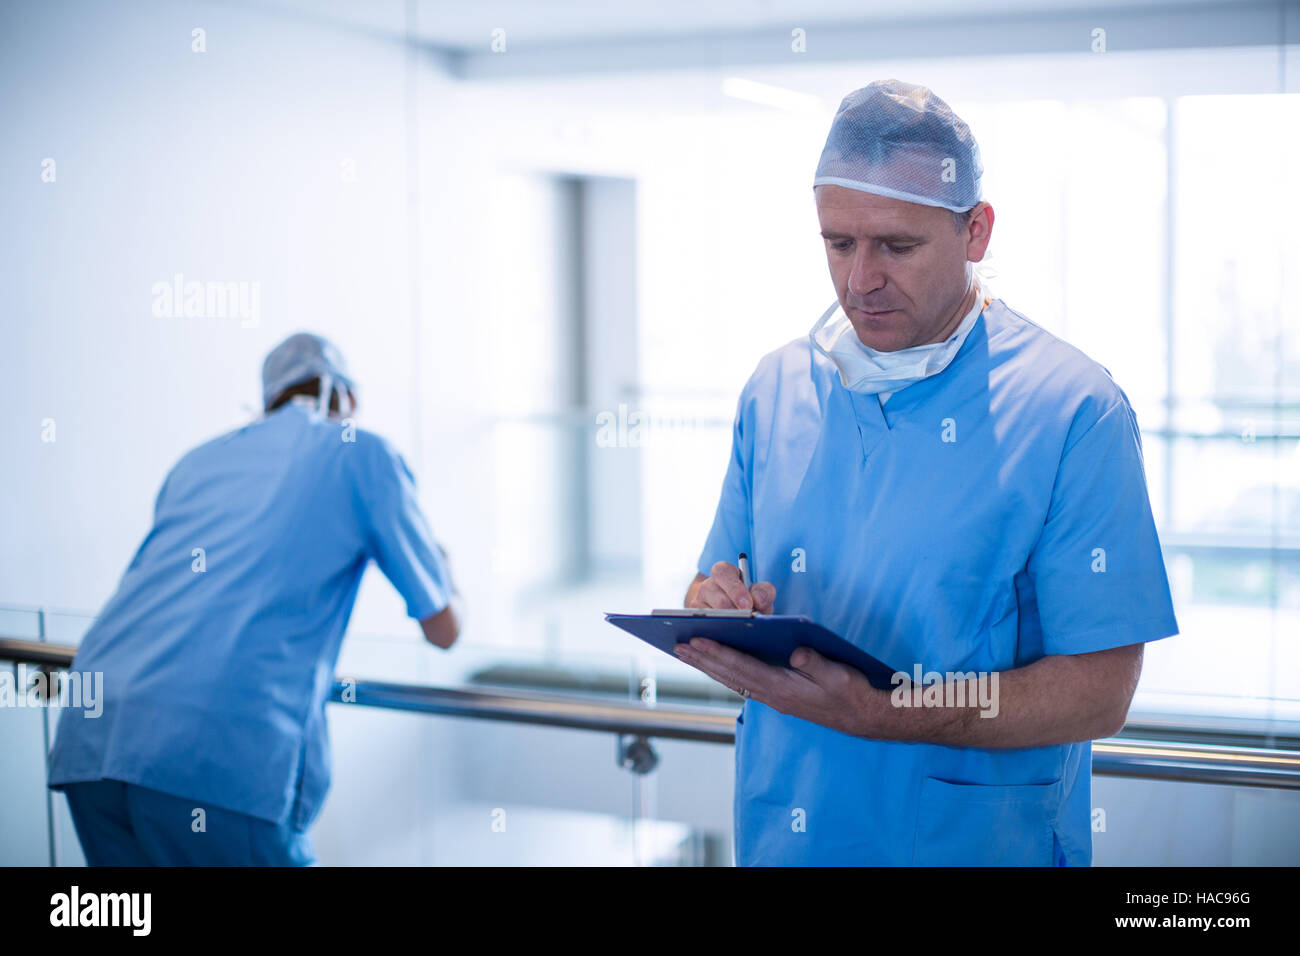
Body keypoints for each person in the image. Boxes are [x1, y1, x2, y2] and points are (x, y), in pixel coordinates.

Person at [675, 79, 1179, 866]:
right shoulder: (776, 389)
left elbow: (1100, 692)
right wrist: (715, 608)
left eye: (897, 246)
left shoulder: (1073, 411)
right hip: (788, 830)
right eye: (837, 243)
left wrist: (888, 712)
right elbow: (713, 584)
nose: (859, 281)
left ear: (975, 231)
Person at [47, 332, 461, 866]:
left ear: (269, 400)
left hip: (93, 733)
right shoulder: (360, 451)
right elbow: (444, 627)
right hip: (210, 755)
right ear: (346, 399)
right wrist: (449, 576)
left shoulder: (198, 461)